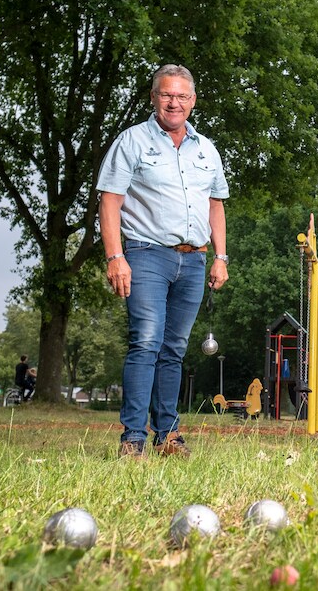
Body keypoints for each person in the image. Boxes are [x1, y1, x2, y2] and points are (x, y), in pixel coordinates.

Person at [97, 64, 230, 459]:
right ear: (154, 97)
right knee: (146, 342)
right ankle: (133, 438)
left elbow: (216, 205)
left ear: (193, 101)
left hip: (194, 261)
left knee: (174, 349)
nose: (175, 102)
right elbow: (110, 200)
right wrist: (115, 256)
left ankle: (168, 435)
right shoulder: (132, 141)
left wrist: (221, 257)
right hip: (146, 255)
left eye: (182, 96)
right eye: (167, 94)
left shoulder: (206, 149)